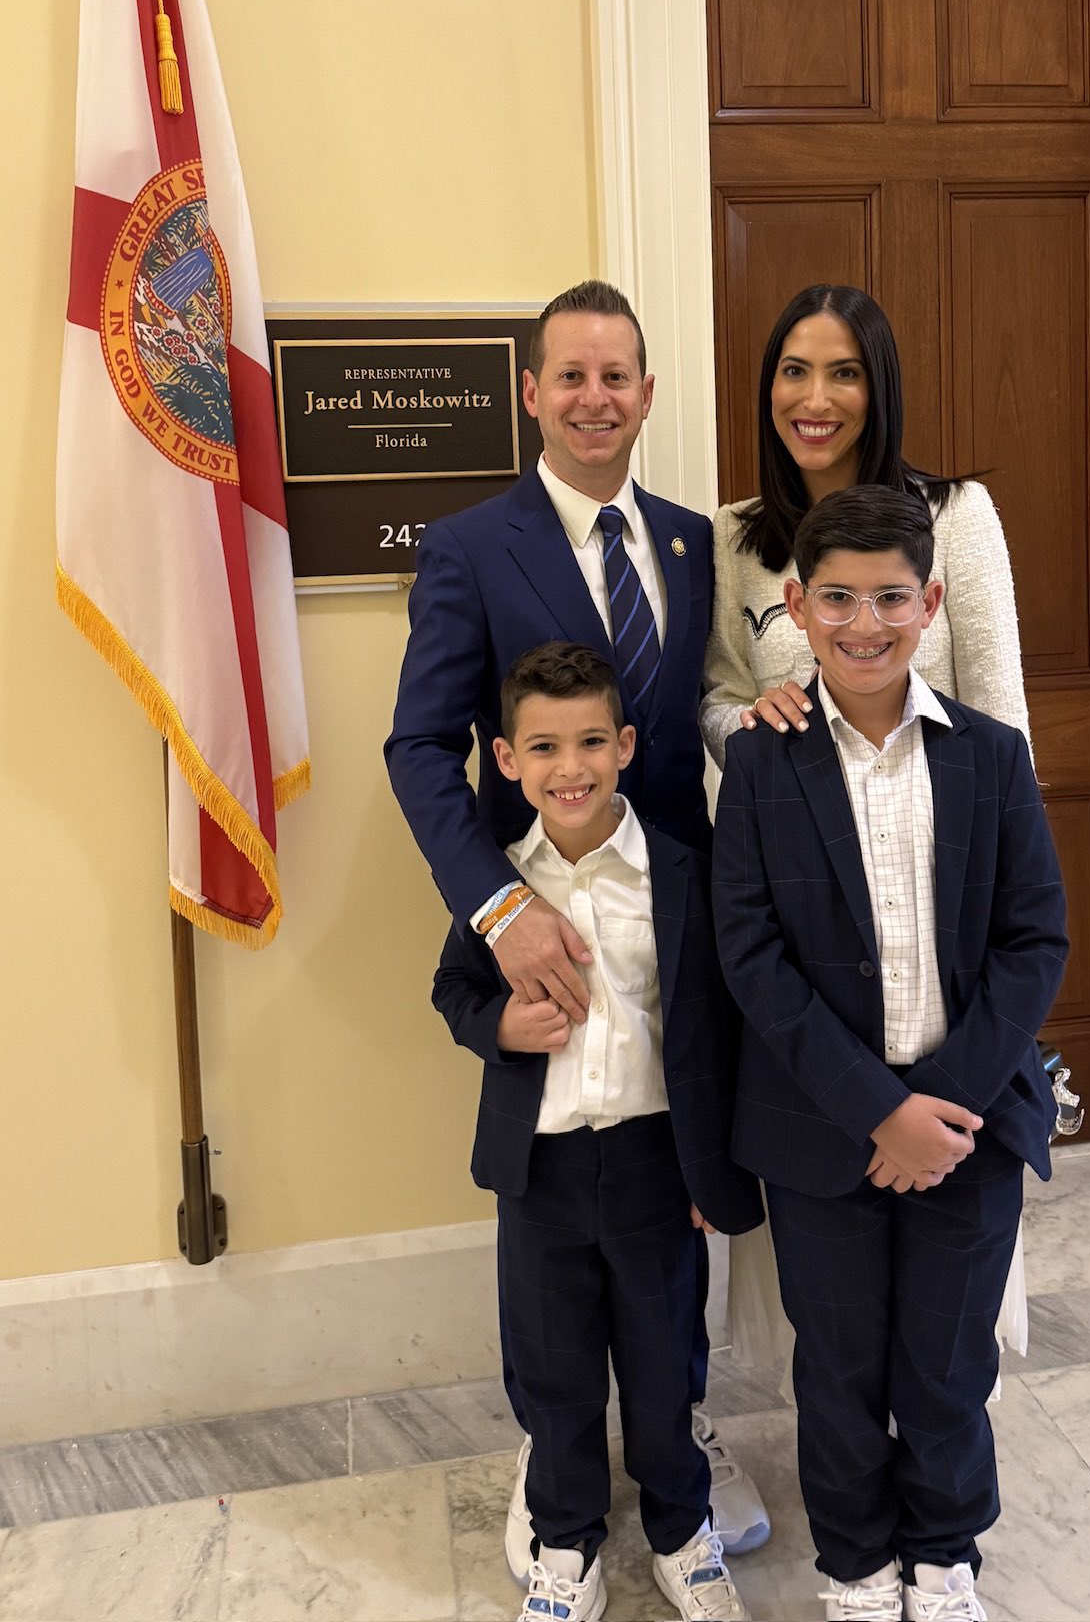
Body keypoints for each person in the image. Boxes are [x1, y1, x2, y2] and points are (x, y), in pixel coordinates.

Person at [386, 280, 769, 1568]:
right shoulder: (469, 544)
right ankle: (555, 1465)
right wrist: (498, 908)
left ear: (648, 394)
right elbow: (421, 746)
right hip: (544, 916)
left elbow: (706, 708)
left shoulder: (684, 540)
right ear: (532, 393)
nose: (596, 397)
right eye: (572, 375)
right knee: (556, 1254)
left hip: (674, 921)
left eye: (619, 376)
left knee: (671, 1216)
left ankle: (679, 1438)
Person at [713, 487, 1069, 1622]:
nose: (864, 623)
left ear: (933, 602)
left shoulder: (991, 759)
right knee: (842, 1363)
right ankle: (858, 1563)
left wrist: (942, 1105)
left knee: (950, 1358)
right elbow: (750, 952)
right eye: (838, 598)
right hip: (826, 1135)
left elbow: (1034, 937)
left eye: (889, 597)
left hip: (967, 1125)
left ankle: (944, 1554)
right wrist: (877, 1109)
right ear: (795, 607)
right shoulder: (764, 767)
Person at [700, 282, 1031, 1370]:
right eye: (794, 370)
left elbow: (1002, 713)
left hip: (940, 934)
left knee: (944, 1318)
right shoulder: (735, 539)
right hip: (812, 941)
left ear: (878, 385)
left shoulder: (959, 516)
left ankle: (942, 1468)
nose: (816, 397)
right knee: (831, 1315)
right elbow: (713, 695)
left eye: (843, 370)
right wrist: (751, 714)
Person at [433, 642, 762, 1622]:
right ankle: (566, 1538)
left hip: (658, 1160)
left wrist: (715, 1165)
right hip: (542, 1169)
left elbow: (715, 1025)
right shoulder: (495, 887)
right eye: (543, 746)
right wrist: (499, 1025)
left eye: (588, 741)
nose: (568, 766)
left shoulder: (680, 873)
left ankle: (679, 1530)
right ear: (506, 758)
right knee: (554, 1363)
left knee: (665, 1361)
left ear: (624, 745)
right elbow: (452, 990)